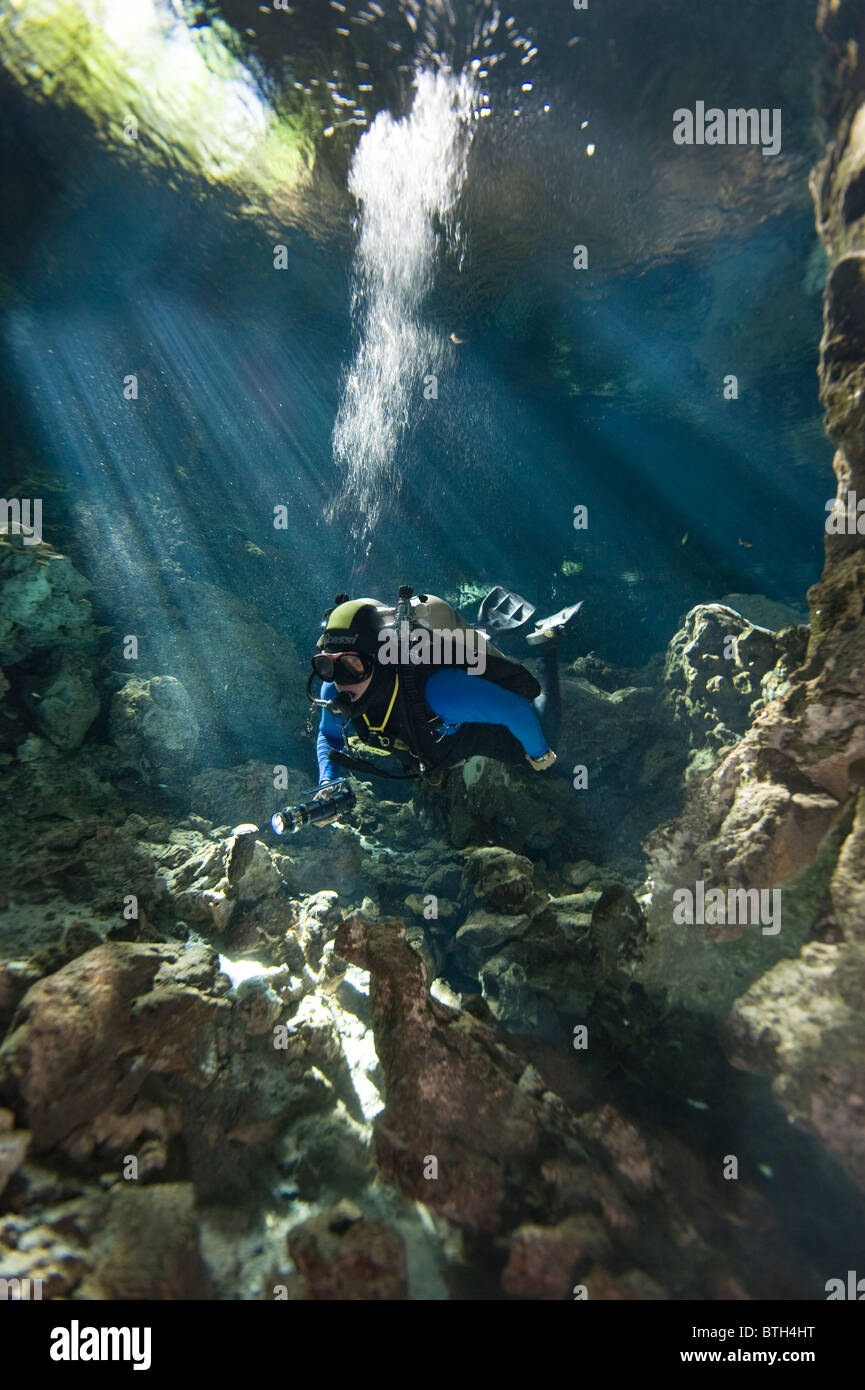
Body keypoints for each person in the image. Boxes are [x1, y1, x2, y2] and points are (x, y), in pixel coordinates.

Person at [307, 588, 582, 825]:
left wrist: (539, 753)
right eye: (327, 665)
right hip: (435, 748)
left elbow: (512, 708)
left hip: (471, 734)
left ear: (381, 660)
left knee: (544, 736)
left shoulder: (438, 692)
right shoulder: (332, 688)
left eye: (352, 666)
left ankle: (547, 646)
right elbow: (330, 735)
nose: (340, 682)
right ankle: (482, 635)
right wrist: (327, 783)